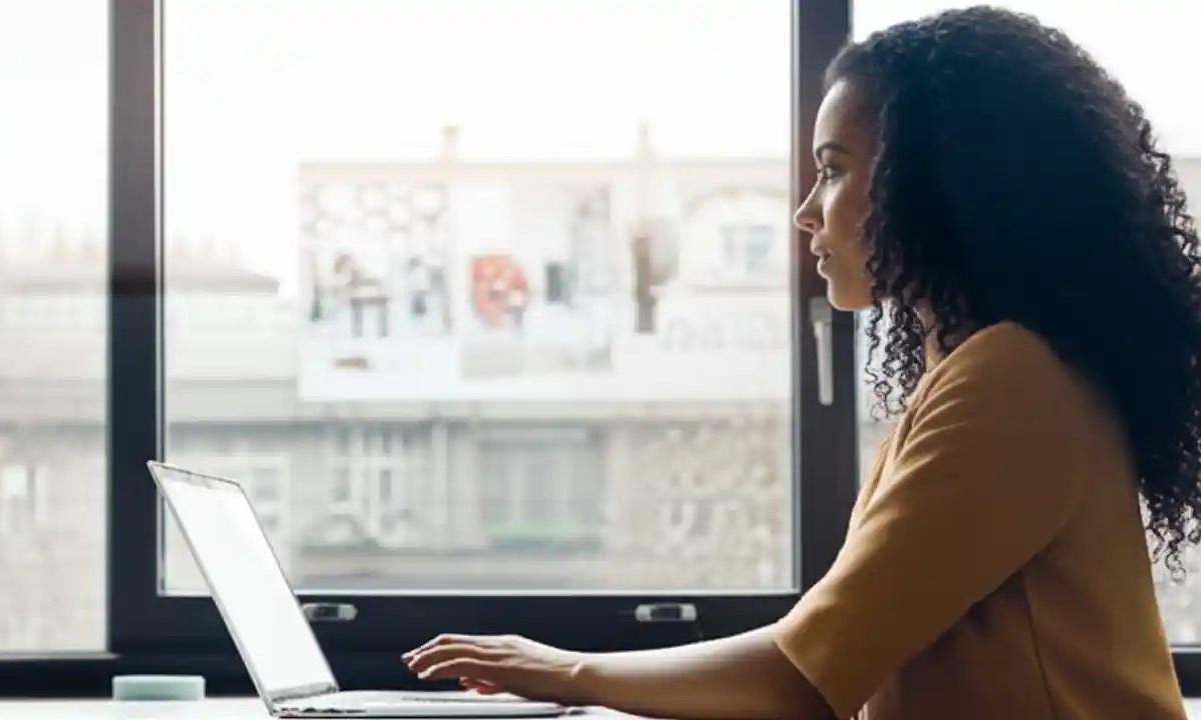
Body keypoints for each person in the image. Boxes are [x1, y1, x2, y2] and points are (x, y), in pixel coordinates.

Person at [403, 7, 1200, 718]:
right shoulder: (988, 370)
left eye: (832, 169)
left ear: (931, 185)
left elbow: (800, 679)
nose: (804, 210)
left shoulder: (1014, 381)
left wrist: (565, 672)